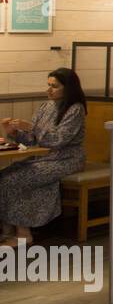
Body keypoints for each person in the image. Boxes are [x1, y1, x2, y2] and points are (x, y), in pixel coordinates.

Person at [0, 68, 87, 247]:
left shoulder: (75, 109)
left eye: (54, 86)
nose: (49, 90)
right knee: (4, 175)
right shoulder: (45, 106)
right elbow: (33, 141)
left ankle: (24, 234)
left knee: (15, 179)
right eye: (48, 85)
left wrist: (32, 127)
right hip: (44, 157)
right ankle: (7, 230)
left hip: (66, 159)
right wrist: (15, 133)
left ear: (68, 88)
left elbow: (58, 139)